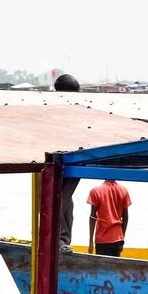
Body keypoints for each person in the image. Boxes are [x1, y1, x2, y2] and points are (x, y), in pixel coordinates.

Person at [53, 74, 82, 251]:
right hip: (58, 160)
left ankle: (63, 240)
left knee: (66, 202)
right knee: (59, 201)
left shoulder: (74, 108)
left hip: (71, 158)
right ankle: (59, 240)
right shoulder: (64, 107)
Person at [86, 179, 131, 257]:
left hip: (102, 240)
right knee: (115, 268)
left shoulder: (96, 191)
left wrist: (90, 241)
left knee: (102, 268)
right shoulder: (124, 191)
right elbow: (125, 217)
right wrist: (122, 238)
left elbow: (93, 217)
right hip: (118, 239)